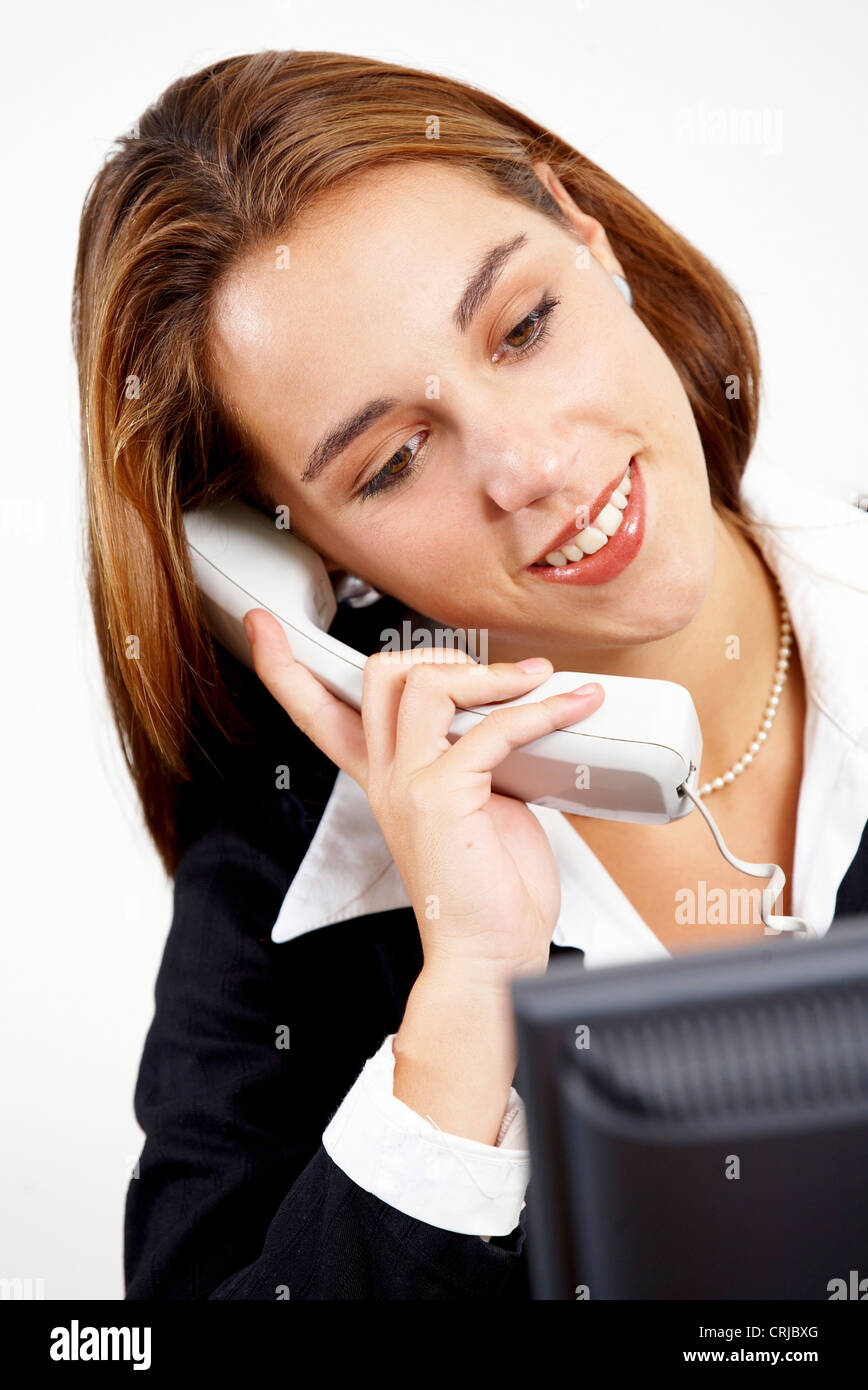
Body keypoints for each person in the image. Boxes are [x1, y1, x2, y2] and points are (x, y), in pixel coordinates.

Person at [71, 48, 868, 1299]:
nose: (531, 466)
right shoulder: (283, 884)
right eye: (388, 463)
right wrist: (464, 1013)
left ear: (587, 234)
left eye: (525, 326)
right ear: (282, 544)